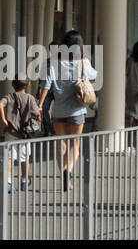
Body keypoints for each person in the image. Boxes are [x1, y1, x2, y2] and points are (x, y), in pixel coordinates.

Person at [35, 31, 97, 192]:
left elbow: (45, 85)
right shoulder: (83, 62)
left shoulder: (54, 63)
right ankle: (68, 171)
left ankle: (64, 174)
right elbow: (94, 75)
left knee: (60, 143)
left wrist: (40, 105)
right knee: (74, 145)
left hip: (58, 111)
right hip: (77, 110)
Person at [1, 78, 41, 192]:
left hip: (11, 131)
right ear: (28, 85)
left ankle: (8, 182)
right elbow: (37, 113)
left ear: (13, 85)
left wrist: (4, 119)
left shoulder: (9, 96)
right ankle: (24, 181)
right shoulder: (30, 98)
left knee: (9, 157)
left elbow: (0, 104)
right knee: (24, 158)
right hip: (24, 133)